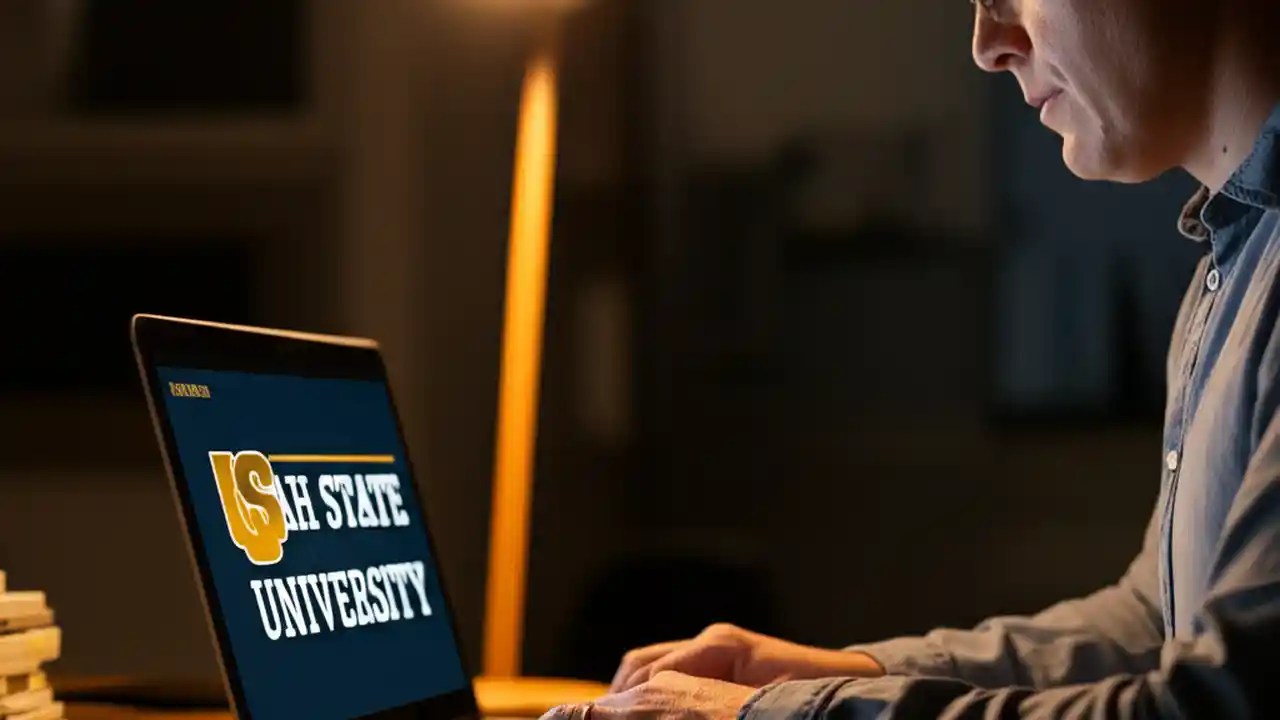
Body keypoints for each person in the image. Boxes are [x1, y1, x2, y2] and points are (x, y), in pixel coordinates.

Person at [542, 0, 1280, 717]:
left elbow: (1219, 702)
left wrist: (771, 716)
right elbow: (1154, 622)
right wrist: (837, 674)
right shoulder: (1235, 254)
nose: (988, 44)